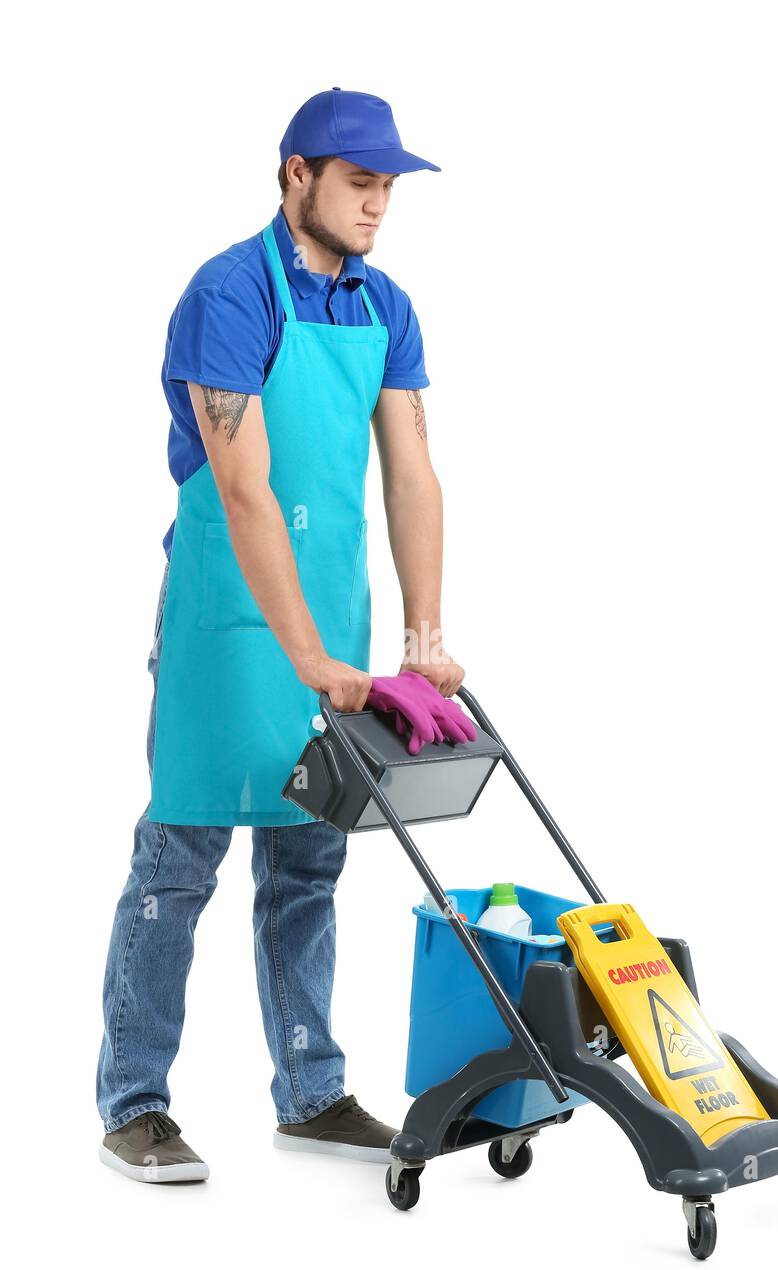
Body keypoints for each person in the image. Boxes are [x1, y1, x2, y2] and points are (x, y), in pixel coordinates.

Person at [97, 88, 464, 1183]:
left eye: (390, 185)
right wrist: (302, 657)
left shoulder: (383, 305)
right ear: (294, 175)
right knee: (180, 855)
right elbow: (245, 490)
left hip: (332, 625)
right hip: (227, 621)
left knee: (310, 859)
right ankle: (133, 1103)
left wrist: (424, 634)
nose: (378, 204)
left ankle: (311, 1091)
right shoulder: (228, 295)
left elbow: (412, 473)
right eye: (360, 182)